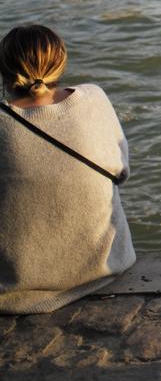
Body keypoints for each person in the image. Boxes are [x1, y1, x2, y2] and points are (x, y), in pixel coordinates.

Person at [0, 25, 135, 314]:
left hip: (16, 286)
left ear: (5, 72)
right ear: (61, 61)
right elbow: (122, 171)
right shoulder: (93, 98)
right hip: (105, 265)